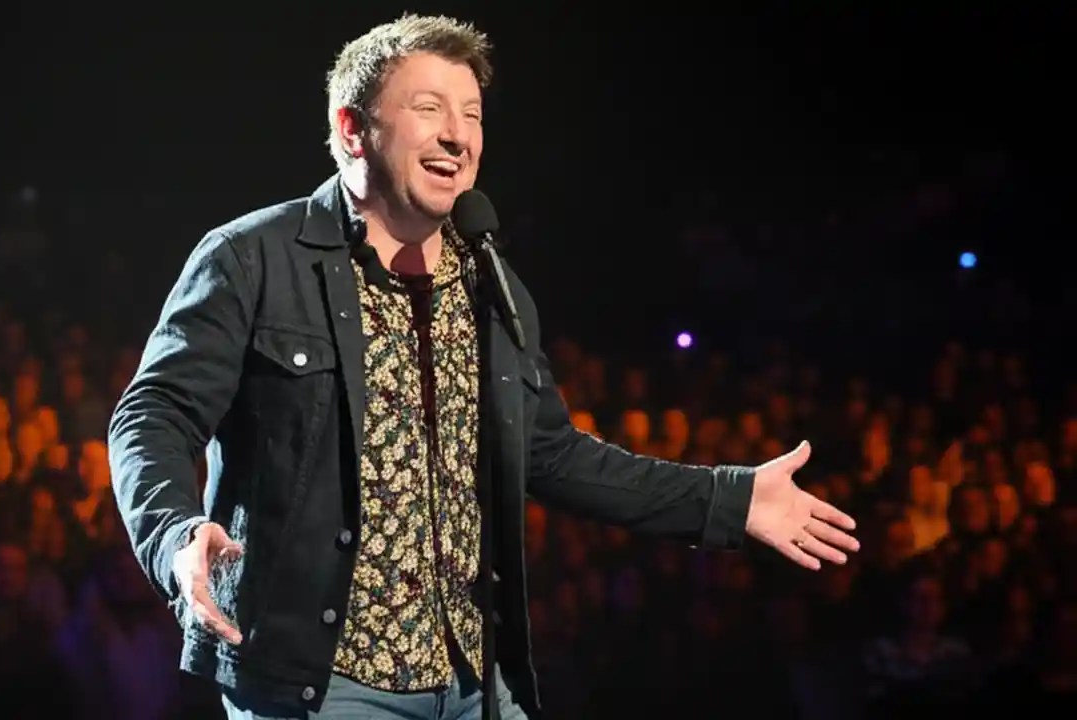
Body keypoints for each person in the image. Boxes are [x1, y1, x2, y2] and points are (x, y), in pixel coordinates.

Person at [107, 13, 860, 720]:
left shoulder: (490, 286)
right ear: (352, 129)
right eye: (429, 108)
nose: (458, 135)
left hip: (472, 681)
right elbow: (154, 414)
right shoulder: (252, 260)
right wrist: (174, 533)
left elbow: (553, 454)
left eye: (472, 114)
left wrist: (728, 500)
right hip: (322, 683)